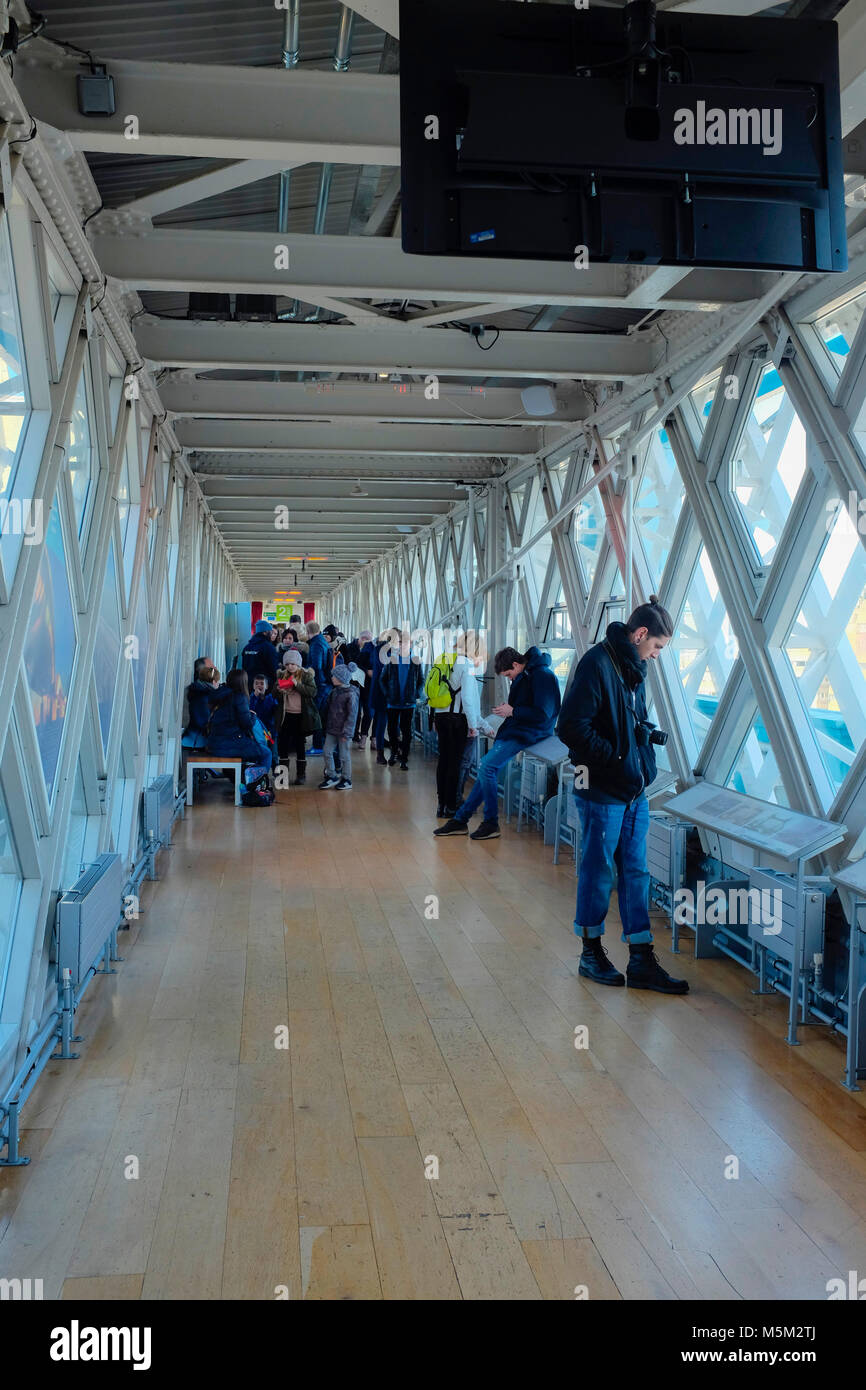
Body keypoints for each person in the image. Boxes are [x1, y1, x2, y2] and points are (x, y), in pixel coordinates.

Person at [556, 597, 688, 994]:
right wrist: (615, 757)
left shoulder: (635, 667)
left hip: (633, 789)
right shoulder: (597, 664)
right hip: (600, 787)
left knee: (636, 872)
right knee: (598, 871)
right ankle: (590, 952)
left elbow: (630, 719)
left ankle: (641, 957)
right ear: (641, 634)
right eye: (658, 647)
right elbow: (570, 728)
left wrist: (642, 747)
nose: (658, 655)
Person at [435, 645, 561, 841]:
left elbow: (543, 713)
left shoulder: (542, 676)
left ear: (516, 664)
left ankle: (490, 822)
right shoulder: (529, 674)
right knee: (487, 771)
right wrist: (511, 711)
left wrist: (512, 711)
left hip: (527, 732)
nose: (509, 679)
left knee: (486, 766)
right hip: (519, 730)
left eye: (509, 674)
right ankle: (461, 820)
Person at [428, 645, 491, 820]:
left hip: (440, 717)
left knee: (443, 761)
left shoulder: (445, 660)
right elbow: (468, 699)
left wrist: (433, 717)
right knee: (455, 763)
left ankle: (441, 805)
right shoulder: (467, 666)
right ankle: (451, 806)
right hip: (457, 720)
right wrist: (472, 725)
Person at [207, 668, 273, 784]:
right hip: (229, 744)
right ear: (243, 682)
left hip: (215, 743)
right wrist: (253, 716)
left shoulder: (220, 694)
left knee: (251, 750)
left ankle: (241, 779)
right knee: (266, 753)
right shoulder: (239, 697)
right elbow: (246, 724)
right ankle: (252, 783)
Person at [381, 634, 424, 770]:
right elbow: (382, 679)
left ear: (410, 645)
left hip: (408, 703)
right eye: (400, 643)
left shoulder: (415, 660)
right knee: (392, 730)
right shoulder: (391, 660)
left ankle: (404, 757)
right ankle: (394, 752)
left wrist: (416, 693)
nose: (402, 645)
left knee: (406, 731)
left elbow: (421, 680)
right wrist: (387, 694)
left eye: (405, 643)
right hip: (392, 701)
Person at [276, 649, 317, 784]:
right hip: (285, 715)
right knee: (283, 745)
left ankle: (301, 774)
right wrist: (279, 691)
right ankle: (283, 775)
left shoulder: (306, 675)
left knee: (300, 745)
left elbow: (312, 692)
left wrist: (296, 684)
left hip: (301, 716)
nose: (290, 667)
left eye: (293, 664)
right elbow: (273, 693)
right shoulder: (282, 675)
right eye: (287, 664)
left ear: (298, 664)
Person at [320, 662, 360, 791]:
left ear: (342, 678)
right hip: (332, 729)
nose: (332, 678)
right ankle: (331, 775)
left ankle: (346, 778)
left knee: (344, 755)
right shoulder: (334, 692)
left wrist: (347, 732)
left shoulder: (351, 694)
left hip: (343, 732)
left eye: (334, 676)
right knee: (327, 751)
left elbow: (352, 716)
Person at [181, 657, 231, 749]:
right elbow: (203, 723)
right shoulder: (201, 696)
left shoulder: (196, 691)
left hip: (193, 740)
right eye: (211, 667)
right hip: (197, 742)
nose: (215, 668)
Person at [306, 620, 332, 753]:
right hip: (326, 684)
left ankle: (317, 745)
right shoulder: (323, 641)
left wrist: (304, 670)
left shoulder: (316, 644)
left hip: (319, 684)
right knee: (322, 715)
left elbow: (317, 665)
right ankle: (321, 743)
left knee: (317, 716)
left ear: (308, 631)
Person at [242, 620, 280, 686]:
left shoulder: (247, 647)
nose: (271, 634)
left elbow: (244, 666)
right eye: (270, 632)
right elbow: (273, 668)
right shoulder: (268, 647)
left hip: (248, 683)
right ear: (265, 632)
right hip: (264, 684)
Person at [250, 674, 279, 744]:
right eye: (256, 683)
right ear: (253, 686)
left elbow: (277, 711)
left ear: (267, 686)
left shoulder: (271, 698)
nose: (259, 686)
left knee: (272, 750)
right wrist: (255, 697)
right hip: (257, 731)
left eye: (262, 683)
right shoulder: (251, 698)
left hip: (269, 731)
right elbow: (250, 711)